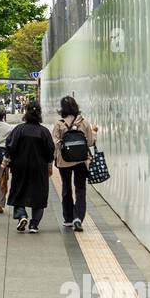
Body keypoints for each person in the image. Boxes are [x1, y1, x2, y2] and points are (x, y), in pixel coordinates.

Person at [3, 101, 55, 232]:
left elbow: (10, 146)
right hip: (39, 167)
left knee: (18, 190)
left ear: (26, 113)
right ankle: (34, 224)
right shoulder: (44, 132)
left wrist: (6, 161)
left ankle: (21, 215)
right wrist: (49, 165)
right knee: (39, 194)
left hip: (20, 166)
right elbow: (50, 151)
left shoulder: (19, 129)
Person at [51, 95, 98, 232]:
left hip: (64, 161)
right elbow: (90, 142)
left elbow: (55, 144)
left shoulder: (59, 124)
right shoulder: (84, 123)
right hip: (81, 161)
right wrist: (94, 133)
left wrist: (53, 159)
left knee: (66, 188)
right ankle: (78, 218)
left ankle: (68, 218)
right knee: (80, 189)